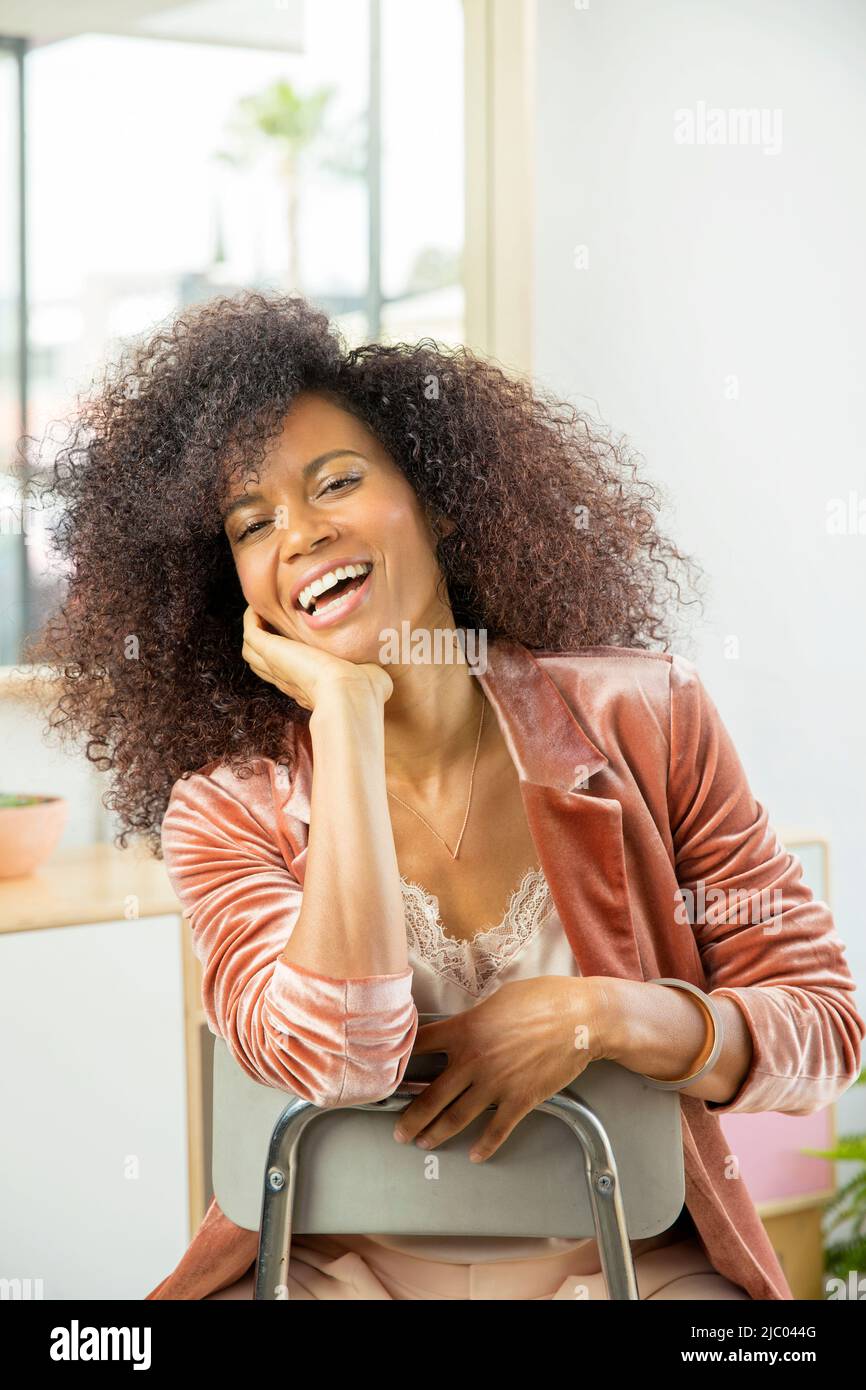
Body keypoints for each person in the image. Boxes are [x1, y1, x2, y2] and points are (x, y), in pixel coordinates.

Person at [27, 291, 864, 1301]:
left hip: (624, 1270)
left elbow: (821, 1027)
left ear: (437, 500)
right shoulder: (226, 811)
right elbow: (337, 1060)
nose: (296, 535)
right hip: (338, 1275)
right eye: (252, 525)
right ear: (231, 585)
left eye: (334, 481)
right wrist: (341, 712)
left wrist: (599, 1014)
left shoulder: (650, 721)